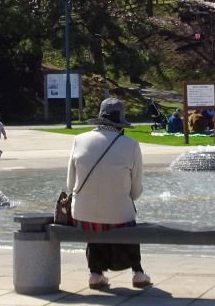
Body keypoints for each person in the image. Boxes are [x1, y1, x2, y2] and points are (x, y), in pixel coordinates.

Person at [66, 97, 150, 290]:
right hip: (119, 215)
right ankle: (137, 272)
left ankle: (95, 274)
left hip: (82, 214)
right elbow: (136, 191)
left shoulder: (78, 140)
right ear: (121, 123)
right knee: (124, 215)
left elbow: (70, 184)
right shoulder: (131, 145)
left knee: (95, 219)